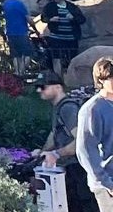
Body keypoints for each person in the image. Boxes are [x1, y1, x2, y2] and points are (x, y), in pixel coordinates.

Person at [41, 71, 96, 208]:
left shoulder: (68, 108)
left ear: (58, 87)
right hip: (68, 168)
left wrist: (57, 154)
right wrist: (41, 152)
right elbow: (54, 136)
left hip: (78, 168)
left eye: (44, 87)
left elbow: (81, 140)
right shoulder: (59, 108)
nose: (39, 90)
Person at [74, 57, 113, 209]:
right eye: (111, 77)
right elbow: (85, 151)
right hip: (107, 185)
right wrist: (107, 183)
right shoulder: (92, 110)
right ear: (101, 79)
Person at [47, 0, 89, 75]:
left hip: (71, 38)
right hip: (56, 37)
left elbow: (82, 19)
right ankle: (58, 78)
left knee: (72, 59)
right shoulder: (50, 7)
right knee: (56, 58)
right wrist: (50, 19)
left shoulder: (72, 7)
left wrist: (73, 18)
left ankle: (71, 77)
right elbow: (44, 17)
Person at [5, 0, 33, 75]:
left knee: (16, 54)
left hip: (10, 32)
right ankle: (22, 72)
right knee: (27, 53)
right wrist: (34, 28)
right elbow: (28, 18)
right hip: (21, 31)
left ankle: (17, 72)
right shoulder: (19, 4)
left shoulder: (5, 4)